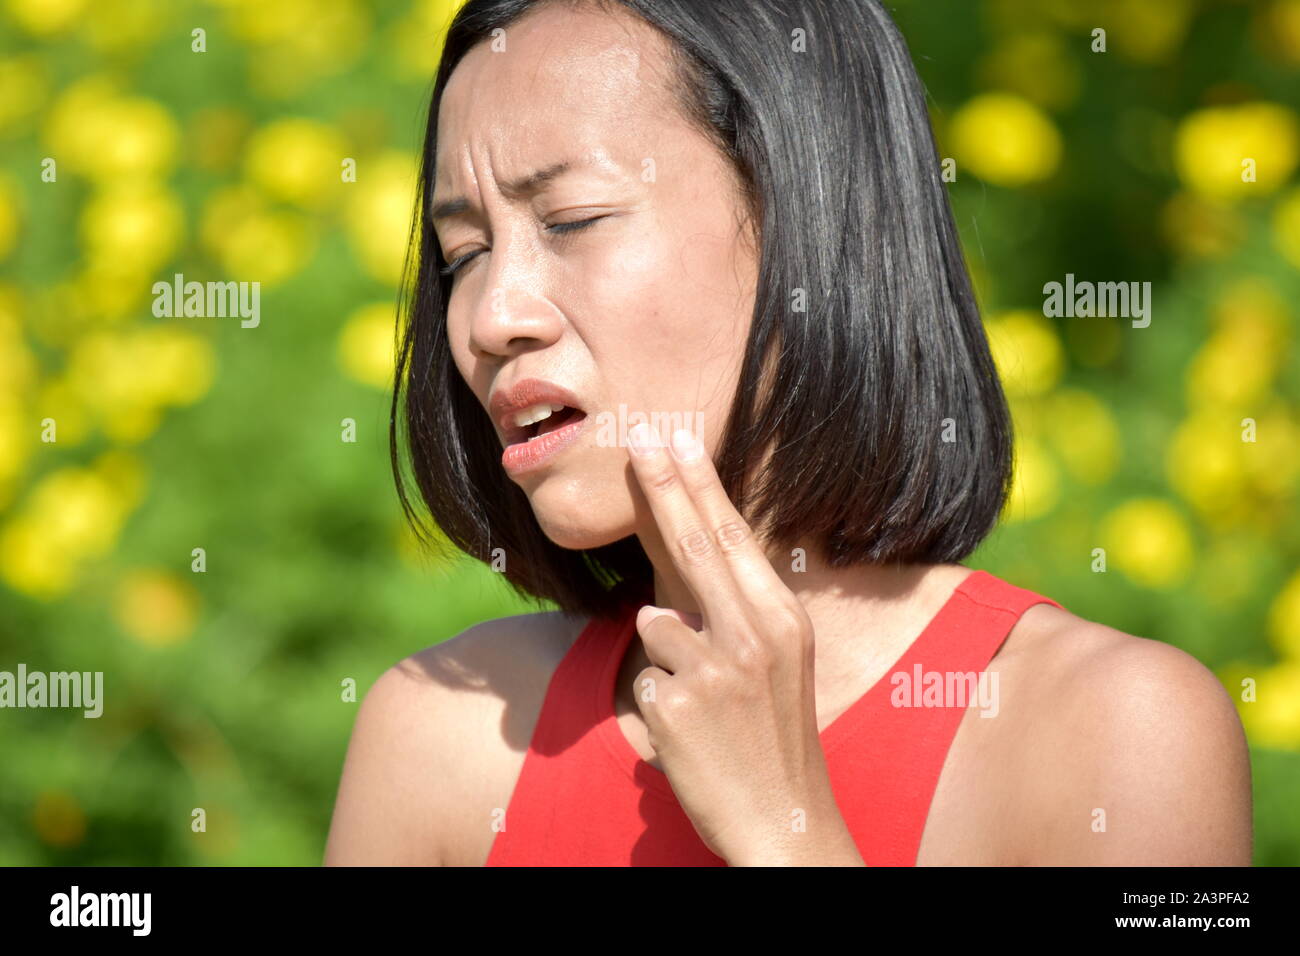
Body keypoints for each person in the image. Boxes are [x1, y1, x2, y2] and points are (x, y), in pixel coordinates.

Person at [324, 0, 1252, 866]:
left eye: (573, 219)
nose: (490, 318)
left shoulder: (1120, 733)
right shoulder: (444, 733)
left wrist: (784, 829)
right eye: (464, 255)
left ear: (806, 211)